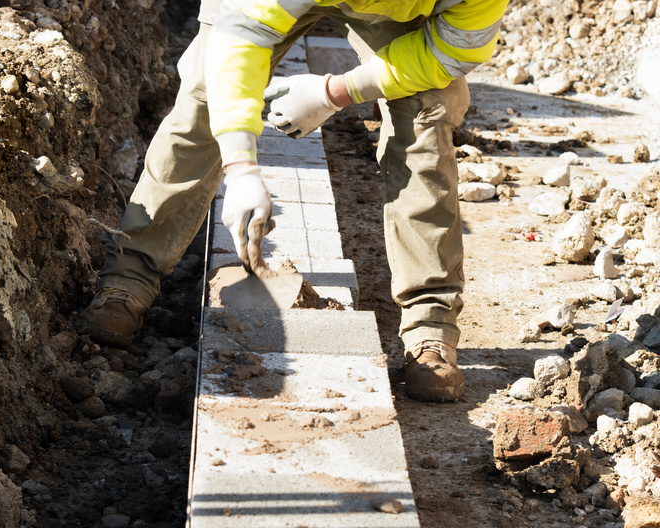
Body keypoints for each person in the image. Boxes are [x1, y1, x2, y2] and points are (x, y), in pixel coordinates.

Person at [79, 0, 509, 401]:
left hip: (403, 13)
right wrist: (241, 166)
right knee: (205, 97)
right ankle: (129, 278)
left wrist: (335, 92)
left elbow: (449, 51)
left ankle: (429, 326)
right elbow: (239, 46)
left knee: (424, 117)